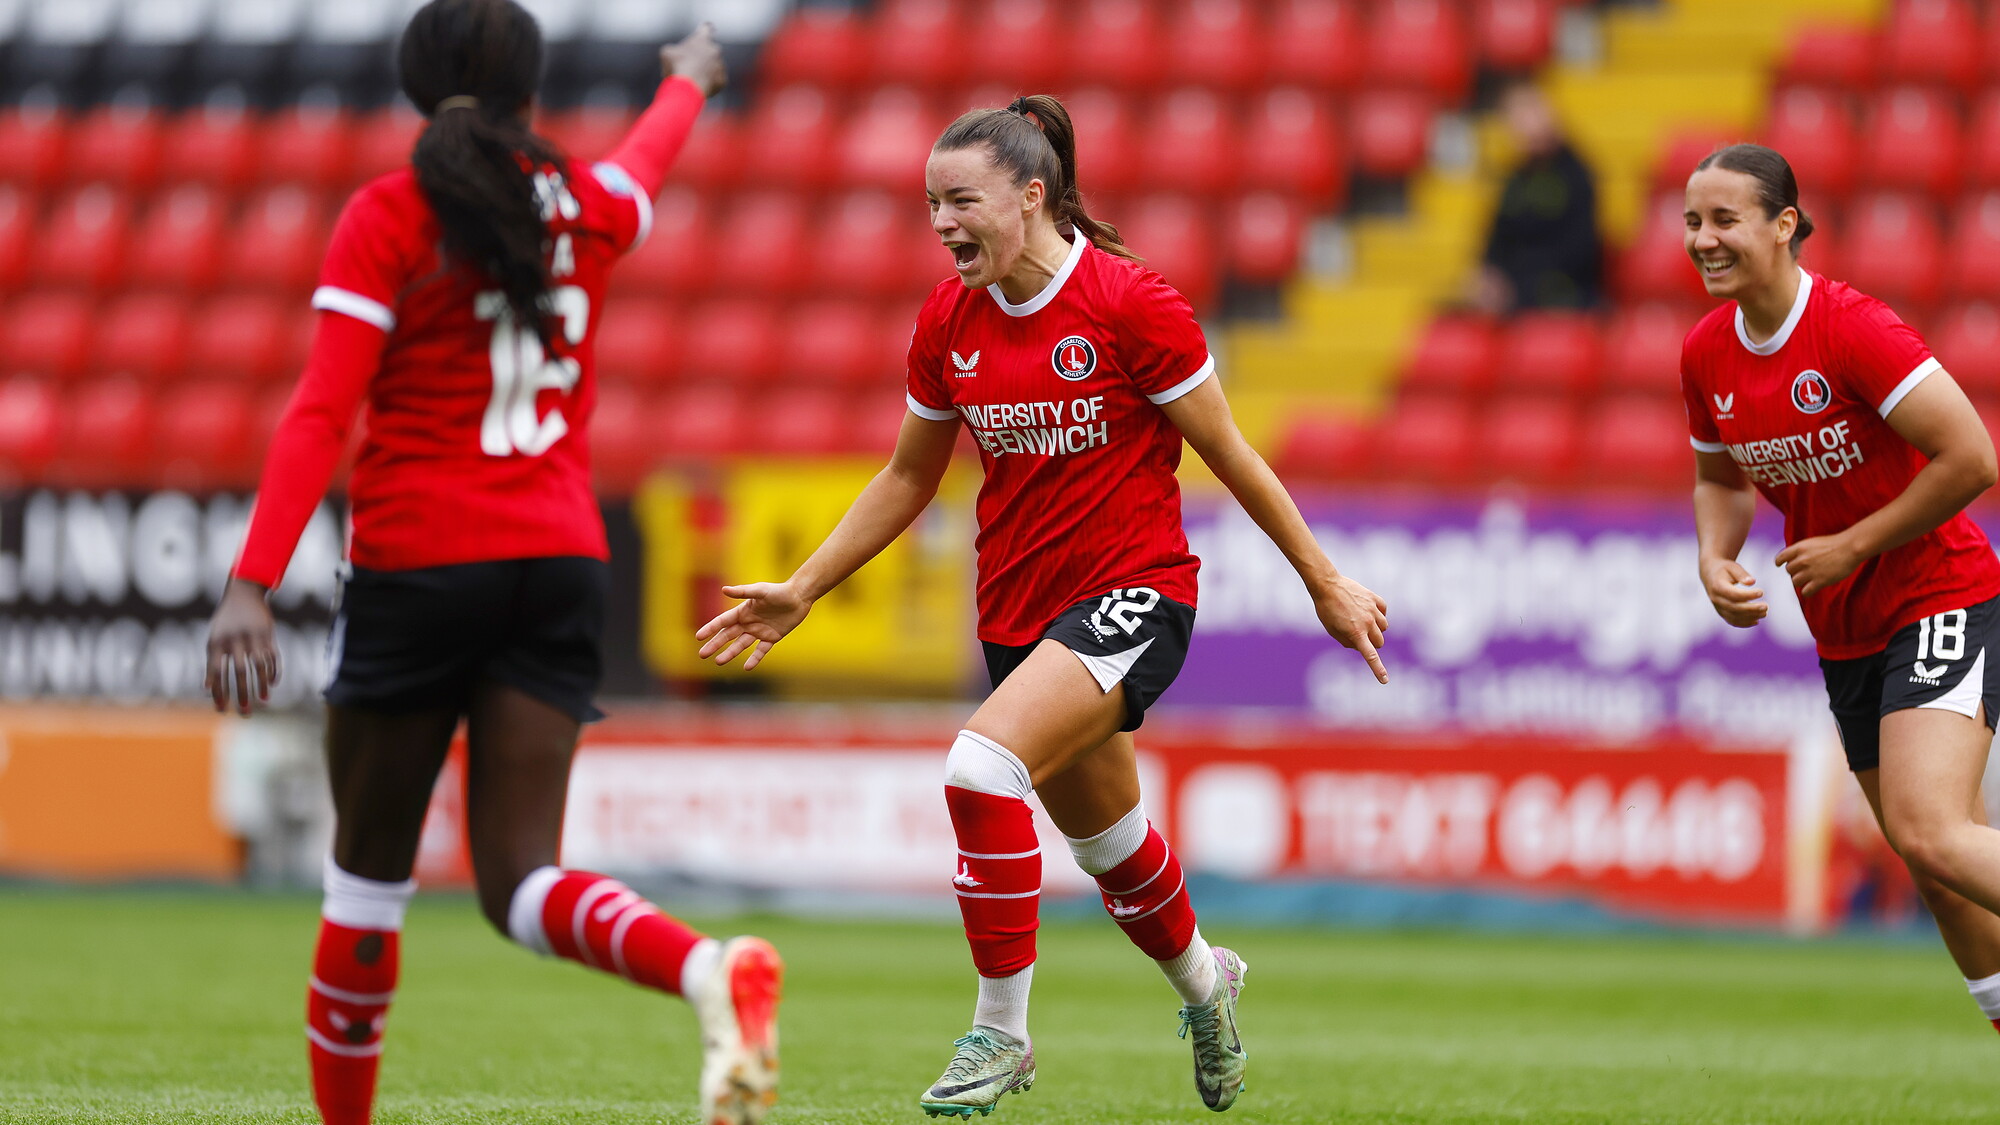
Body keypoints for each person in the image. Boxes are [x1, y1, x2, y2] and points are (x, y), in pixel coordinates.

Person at [694, 94, 1390, 1117]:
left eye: (960, 200)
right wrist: (802, 588)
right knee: (1110, 848)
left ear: (1030, 196)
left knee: (978, 766)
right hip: (1016, 618)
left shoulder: (1129, 304)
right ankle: (1208, 986)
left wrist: (1322, 579)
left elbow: (1227, 452)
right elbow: (904, 478)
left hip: (1135, 596)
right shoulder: (947, 320)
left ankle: (1000, 1036)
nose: (942, 223)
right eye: (931, 203)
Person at [201, 5, 781, 1124]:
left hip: (422, 560)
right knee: (520, 879)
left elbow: (324, 408)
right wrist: (688, 84)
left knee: (366, 882)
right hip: (559, 557)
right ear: (531, 87)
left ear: (415, 86)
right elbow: (643, 162)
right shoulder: (588, 206)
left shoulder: (391, 212)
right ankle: (706, 970)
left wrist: (250, 584)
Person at [1683, 143, 2000, 1035]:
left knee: (1929, 830)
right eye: (1693, 222)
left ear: (1784, 225)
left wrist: (1855, 542)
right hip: (1847, 626)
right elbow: (1720, 479)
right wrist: (1715, 557)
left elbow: (1973, 456)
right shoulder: (1706, 352)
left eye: (1725, 220)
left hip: (1940, 592)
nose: (1704, 240)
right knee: (1933, 861)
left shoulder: (1853, 327)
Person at [1469, 80, 1603, 314]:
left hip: (1563, 293)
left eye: (1529, 112)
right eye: (1515, 116)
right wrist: (1488, 275)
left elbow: (1580, 252)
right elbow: (1496, 238)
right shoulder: (1515, 180)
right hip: (1514, 294)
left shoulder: (1577, 175)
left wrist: (1515, 284)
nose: (1523, 124)